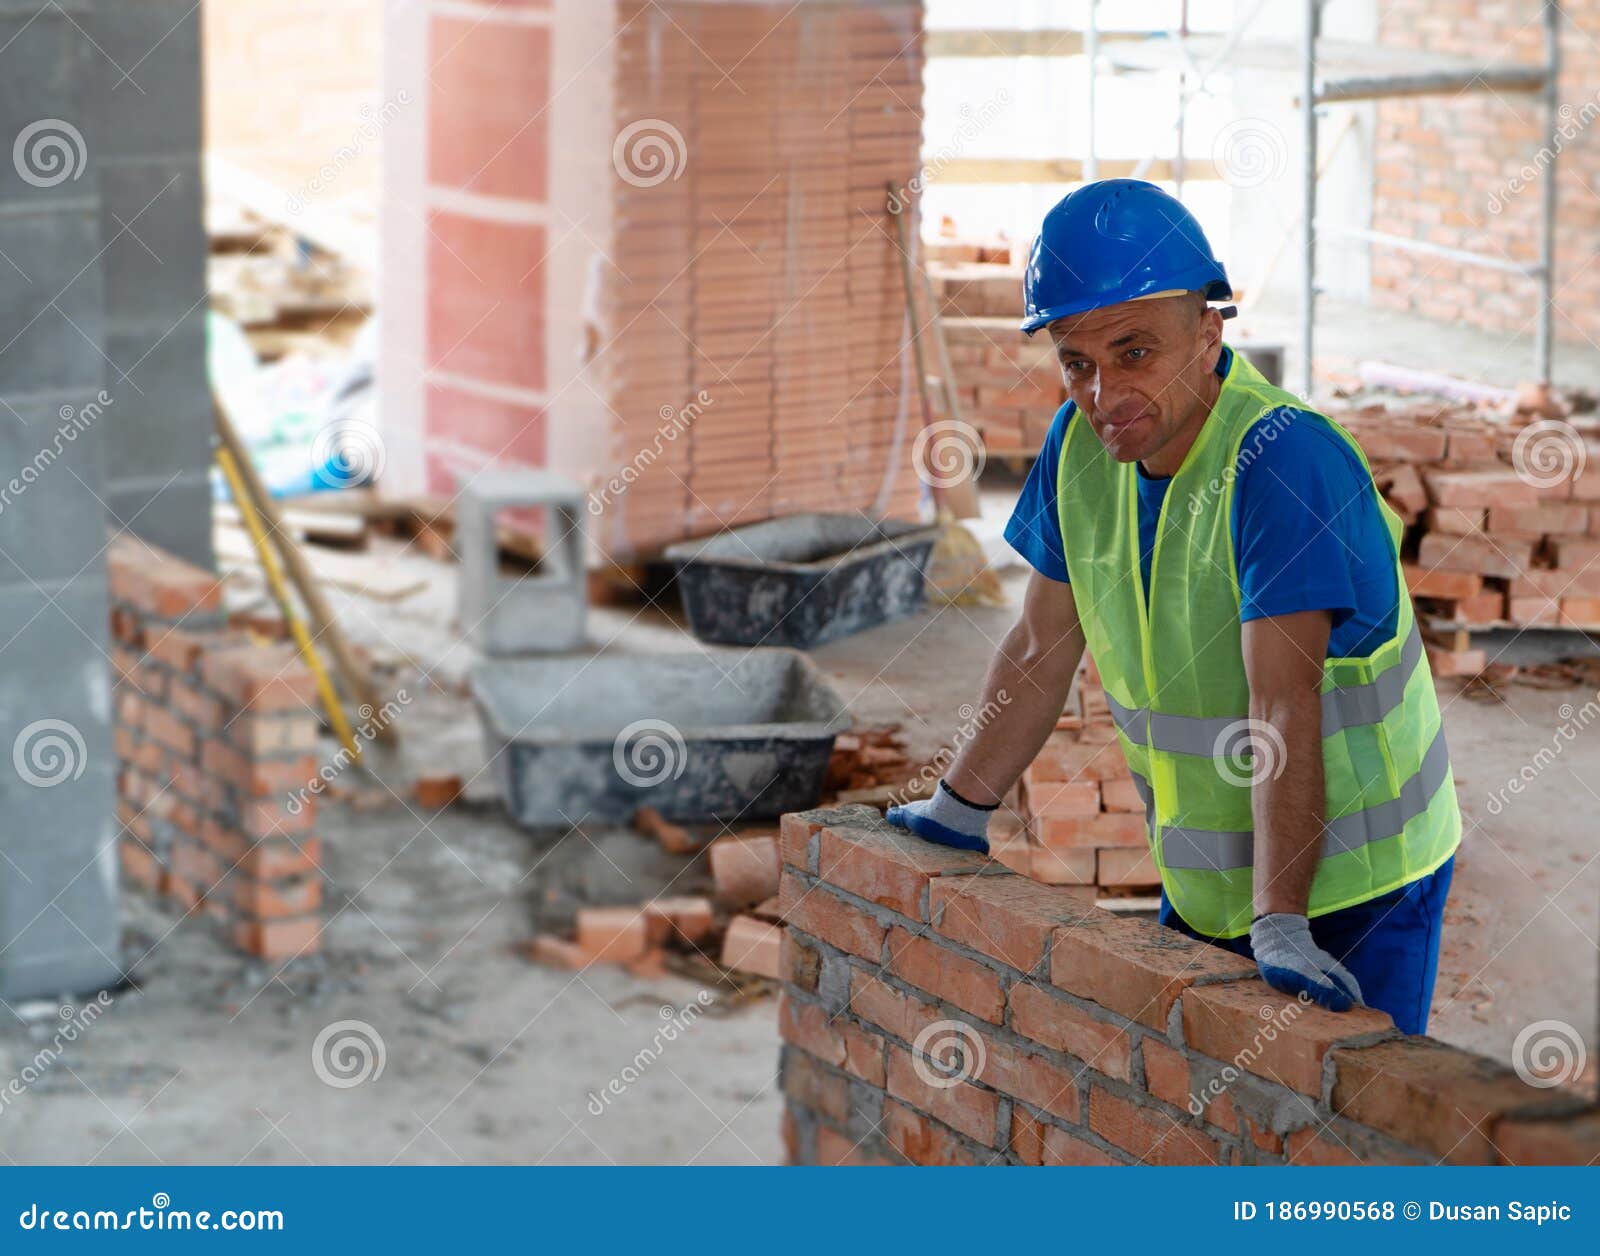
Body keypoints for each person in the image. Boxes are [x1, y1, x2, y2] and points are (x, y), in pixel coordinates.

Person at [887, 179, 1459, 1036]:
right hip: (1207, 874)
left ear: (1208, 330)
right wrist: (959, 809)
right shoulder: (1079, 447)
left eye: (1134, 353)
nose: (1103, 393)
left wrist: (1279, 920)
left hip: (1355, 884)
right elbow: (1041, 645)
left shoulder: (1282, 462)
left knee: (1331, 1139)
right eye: (1076, 362)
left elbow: (1282, 703)